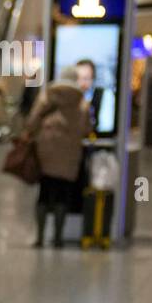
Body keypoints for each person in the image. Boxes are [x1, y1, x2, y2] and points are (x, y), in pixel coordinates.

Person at [24, 72, 89, 247]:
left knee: (44, 193)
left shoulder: (48, 96)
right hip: (69, 153)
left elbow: (32, 121)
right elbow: (85, 128)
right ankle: (58, 237)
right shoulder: (81, 102)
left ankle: (40, 236)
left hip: (46, 150)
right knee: (62, 194)